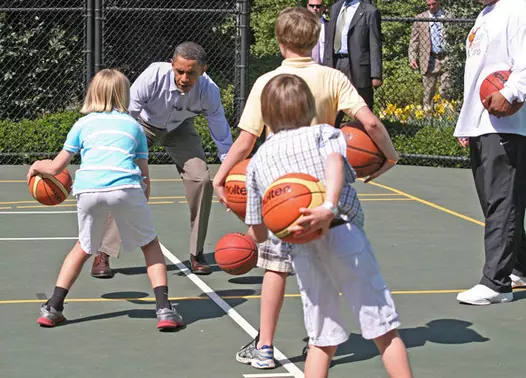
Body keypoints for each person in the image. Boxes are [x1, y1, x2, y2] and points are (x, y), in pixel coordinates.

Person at [212, 7, 399, 369]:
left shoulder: (268, 81)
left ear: (280, 42)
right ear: (316, 41)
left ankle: (265, 347)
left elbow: (246, 140)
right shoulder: (331, 77)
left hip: (279, 190)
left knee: (275, 269)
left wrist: (221, 175)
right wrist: (389, 157)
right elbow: (370, 123)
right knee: (346, 259)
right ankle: (368, 331)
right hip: (326, 193)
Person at [244, 73, 413, 378]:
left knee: (322, 337)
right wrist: (327, 206)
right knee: (383, 328)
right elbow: (336, 165)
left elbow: (257, 232)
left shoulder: (257, 160)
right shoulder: (324, 133)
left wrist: (245, 242)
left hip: (300, 247)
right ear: (309, 107)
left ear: (265, 115)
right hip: (342, 231)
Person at [27, 69, 184, 330]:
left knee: (84, 247)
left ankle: (54, 307)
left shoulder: (82, 125)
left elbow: (55, 168)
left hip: (88, 189)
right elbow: (144, 174)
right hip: (126, 187)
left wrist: (35, 166)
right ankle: (165, 310)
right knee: (150, 244)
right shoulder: (134, 126)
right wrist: (142, 199)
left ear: (92, 93)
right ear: (124, 95)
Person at [91, 42, 233, 278]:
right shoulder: (153, 75)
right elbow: (129, 116)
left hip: (180, 129)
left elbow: (221, 133)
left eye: (191, 73)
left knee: (202, 180)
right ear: (172, 65)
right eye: (180, 71)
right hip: (142, 127)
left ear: (203, 70)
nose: (185, 78)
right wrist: (121, 153)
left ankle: (196, 253)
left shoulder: (209, 90)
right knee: (128, 184)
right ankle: (103, 254)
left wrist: (230, 168)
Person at [454, 0, 526, 305]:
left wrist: (511, 92)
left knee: (503, 202)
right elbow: (477, 75)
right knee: (493, 203)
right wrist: (466, 123)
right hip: (483, 123)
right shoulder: (484, 15)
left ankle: (496, 283)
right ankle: (520, 267)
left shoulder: (518, 8)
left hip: (508, 123)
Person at [323, 0, 383, 110]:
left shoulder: (370, 11)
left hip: (358, 67)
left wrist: (376, 75)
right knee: (333, 105)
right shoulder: (335, 7)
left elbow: (375, 45)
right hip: (335, 62)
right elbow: (329, 39)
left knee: (361, 106)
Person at [409, 0, 452, 110]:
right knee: (428, 91)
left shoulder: (448, 15)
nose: (431, 7)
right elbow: (414, 40)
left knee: (446, 90)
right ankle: (427, 117)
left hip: (447, 57)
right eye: (428, 5)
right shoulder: (420, 18)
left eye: (434, 4)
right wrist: (412, 58)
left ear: (439, 2)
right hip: (429, 58)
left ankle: (446, 115)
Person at [307, 0, 328, 65]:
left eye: (318, 6)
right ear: (307, 6)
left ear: (323, 8)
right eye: (312, 6)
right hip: (306, 67)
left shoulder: (331, 26)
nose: (315, 8)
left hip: (326, 67)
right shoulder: (300, 26)